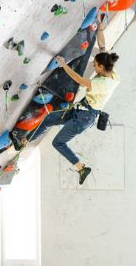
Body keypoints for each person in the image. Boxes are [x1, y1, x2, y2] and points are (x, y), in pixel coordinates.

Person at [12, 52, 121, 184]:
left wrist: (63, 64)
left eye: (95, 65)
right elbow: (103, 48)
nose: (93, 66)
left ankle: (81, 168)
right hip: (81, 110)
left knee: (58, 143)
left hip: (84, 119)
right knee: (48, 119)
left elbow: (78, 79)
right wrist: (99, 31)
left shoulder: (103, 84)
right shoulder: (112, 74)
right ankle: (24, 141)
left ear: (102, 66)